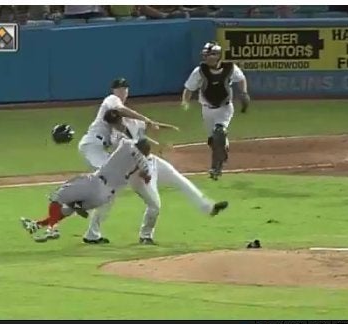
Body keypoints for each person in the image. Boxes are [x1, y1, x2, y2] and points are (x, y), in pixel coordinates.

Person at [84, 111, 229, 245]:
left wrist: (167, 129)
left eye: (119, 119)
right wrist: (154, 155)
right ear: (110, 124)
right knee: (153, 205)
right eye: (115, 122)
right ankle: (144, 236)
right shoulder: (115, 138)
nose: (119, 123)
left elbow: (149, 129)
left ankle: (208, 207)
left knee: (178, 178)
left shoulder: (130, 123)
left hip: (150, 160)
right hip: (134, 171)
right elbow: (135, 151)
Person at [78, 77, 179, 243]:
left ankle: (92, 233)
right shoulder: (112, 100)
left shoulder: (121, 124)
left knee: (109, 190)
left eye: (125, 88)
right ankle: (79, 201)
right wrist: (146, 119)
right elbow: (121, 111)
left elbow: (136, 141)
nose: (122, 91)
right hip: (93, 145)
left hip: (99, 147)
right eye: (119, 88)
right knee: (106, 181)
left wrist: (157, 142)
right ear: (113, 91)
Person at [21, 138, 152, 243]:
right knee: (67, 210)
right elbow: (146, 176)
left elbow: (122, 141)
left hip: (95, 182)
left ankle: (52, 228)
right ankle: (37, 225)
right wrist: (143, 167)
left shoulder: (127, 144)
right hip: (104, 197)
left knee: (57, 197)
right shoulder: (145, 163)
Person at [181, 42, 250, 180]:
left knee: (219, 132)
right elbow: (189, 88)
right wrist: (185, 101)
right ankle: (223, 148)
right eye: (205, 55)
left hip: (224, 108)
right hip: (206, 109)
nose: (206, 58)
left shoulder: (230, 68)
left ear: (217, 55)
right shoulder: (200, 71)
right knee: (213, 141)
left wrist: (243, 92)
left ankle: (215, 168)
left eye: (209, 55)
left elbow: (241, 78)